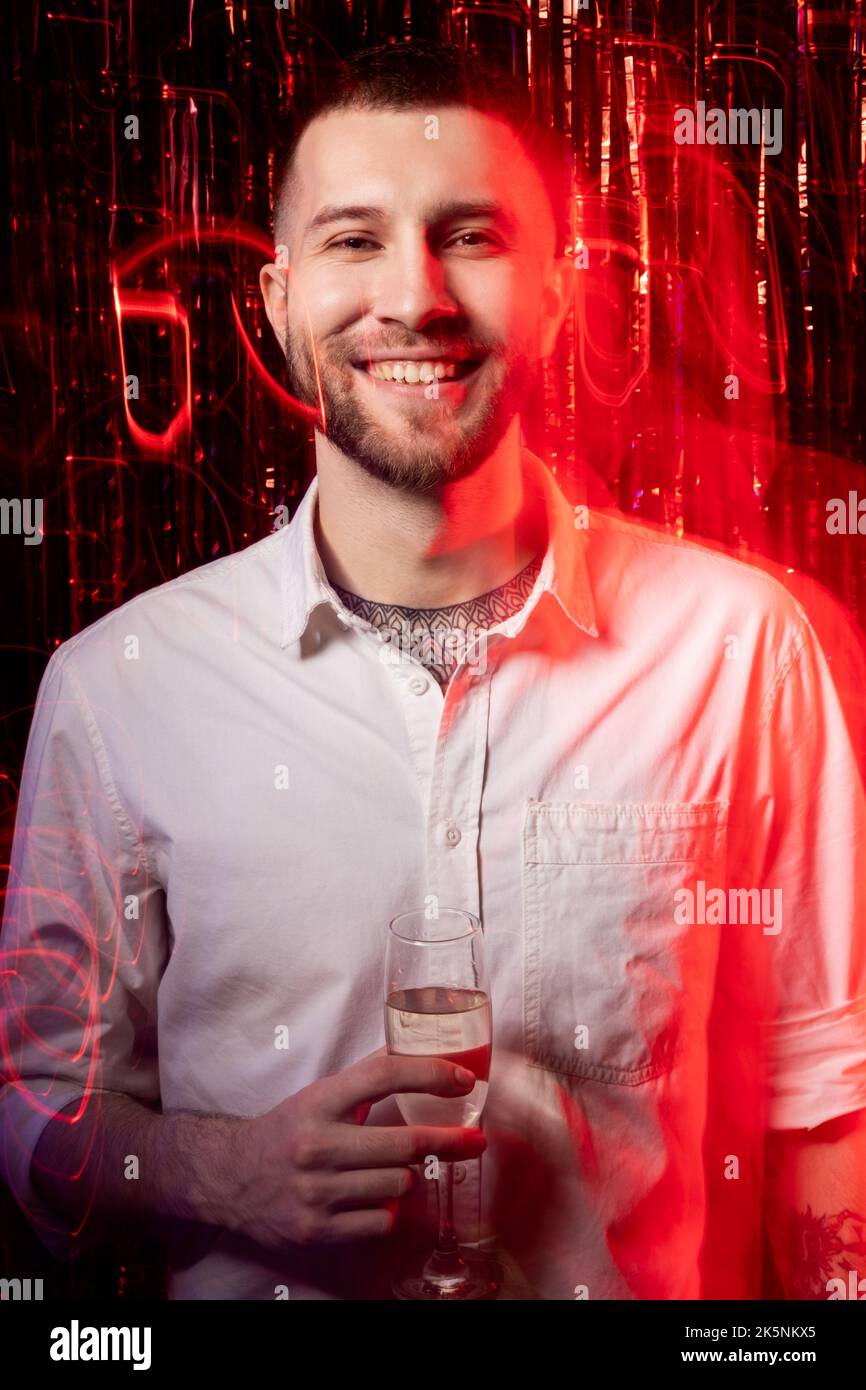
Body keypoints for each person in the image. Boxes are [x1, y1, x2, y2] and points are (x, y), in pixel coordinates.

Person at [2, 39, 865, 1302]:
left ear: (557, 295)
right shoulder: (117, 688)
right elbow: (35, 1115)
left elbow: (824, 1106)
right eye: (355, 240)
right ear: (279, 300)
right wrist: (210, 1169)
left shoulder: (740, 648)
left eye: (470, 233)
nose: (415, 296)